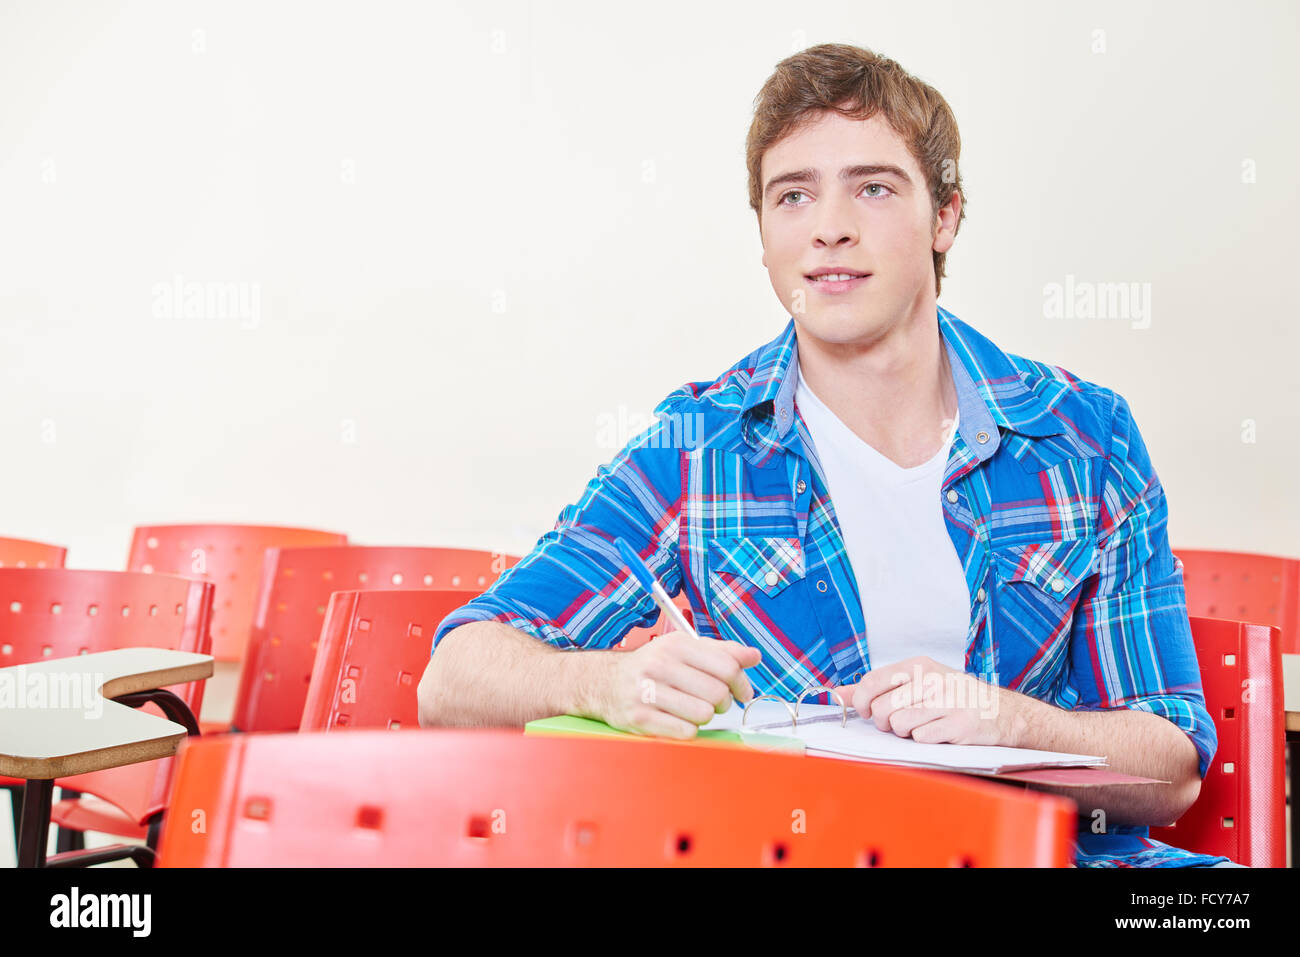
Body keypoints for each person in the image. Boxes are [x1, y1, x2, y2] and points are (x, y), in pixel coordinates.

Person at [418, 43, 1236, 868]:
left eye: (873, 188)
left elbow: (1170, 772)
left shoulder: (1084, 435)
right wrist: (601, 684)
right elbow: (454, 678)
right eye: (793, 195)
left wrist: (1013, 724)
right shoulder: (697, 443)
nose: (829, 226)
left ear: (945, 216)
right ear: (766, 236)